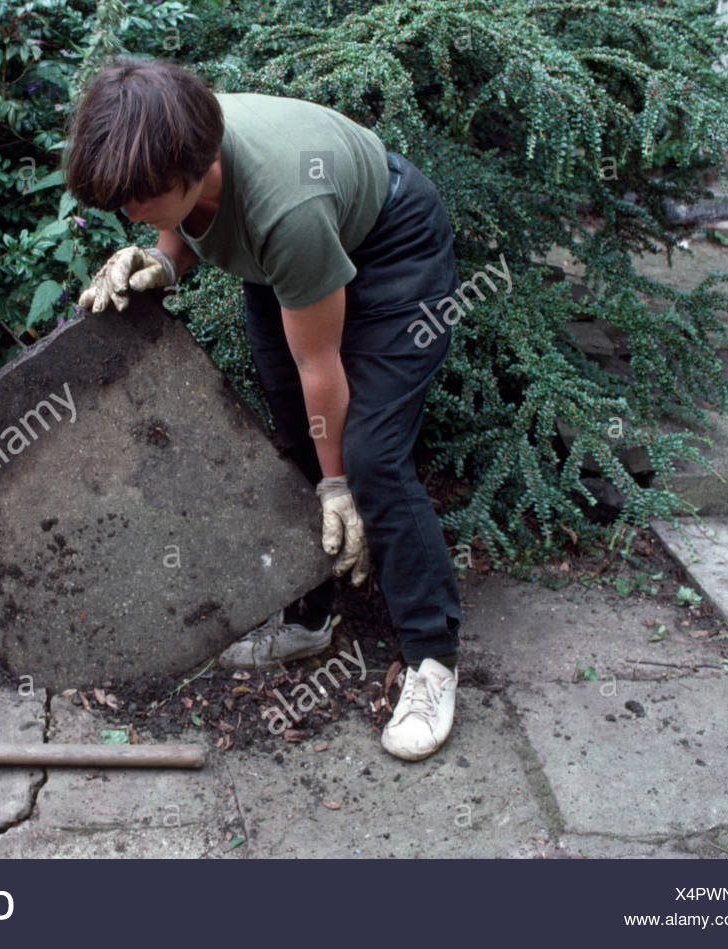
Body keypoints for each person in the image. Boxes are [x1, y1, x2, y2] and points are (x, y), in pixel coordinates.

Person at [65, 57, 462, 761]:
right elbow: (191, 218)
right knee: (294, 435)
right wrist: (161, 261)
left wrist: (339, 487)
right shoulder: (175, 135)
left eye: (139, 199)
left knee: (367, 455)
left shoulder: (287, 207)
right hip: (282, 262)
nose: (129, 213)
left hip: (393, 252)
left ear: (193, 168)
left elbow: (321, 367)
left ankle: (433, 659)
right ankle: (310, 614)